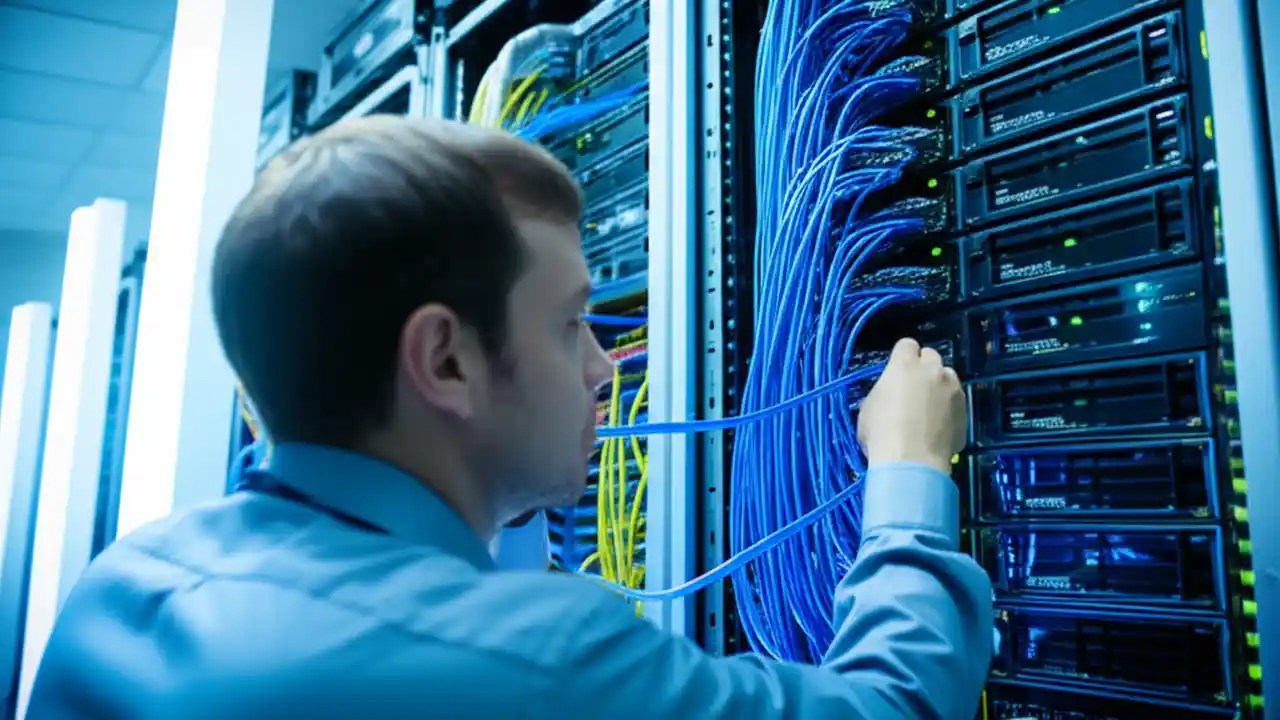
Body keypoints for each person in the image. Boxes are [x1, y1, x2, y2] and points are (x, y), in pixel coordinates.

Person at [27, 116, 993, 719]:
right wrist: (909, 470)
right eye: (571, 323)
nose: (606, 368)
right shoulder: (535, 661)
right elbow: (892, 707)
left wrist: (492, 472)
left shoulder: (119, 587)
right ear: (444, 358)